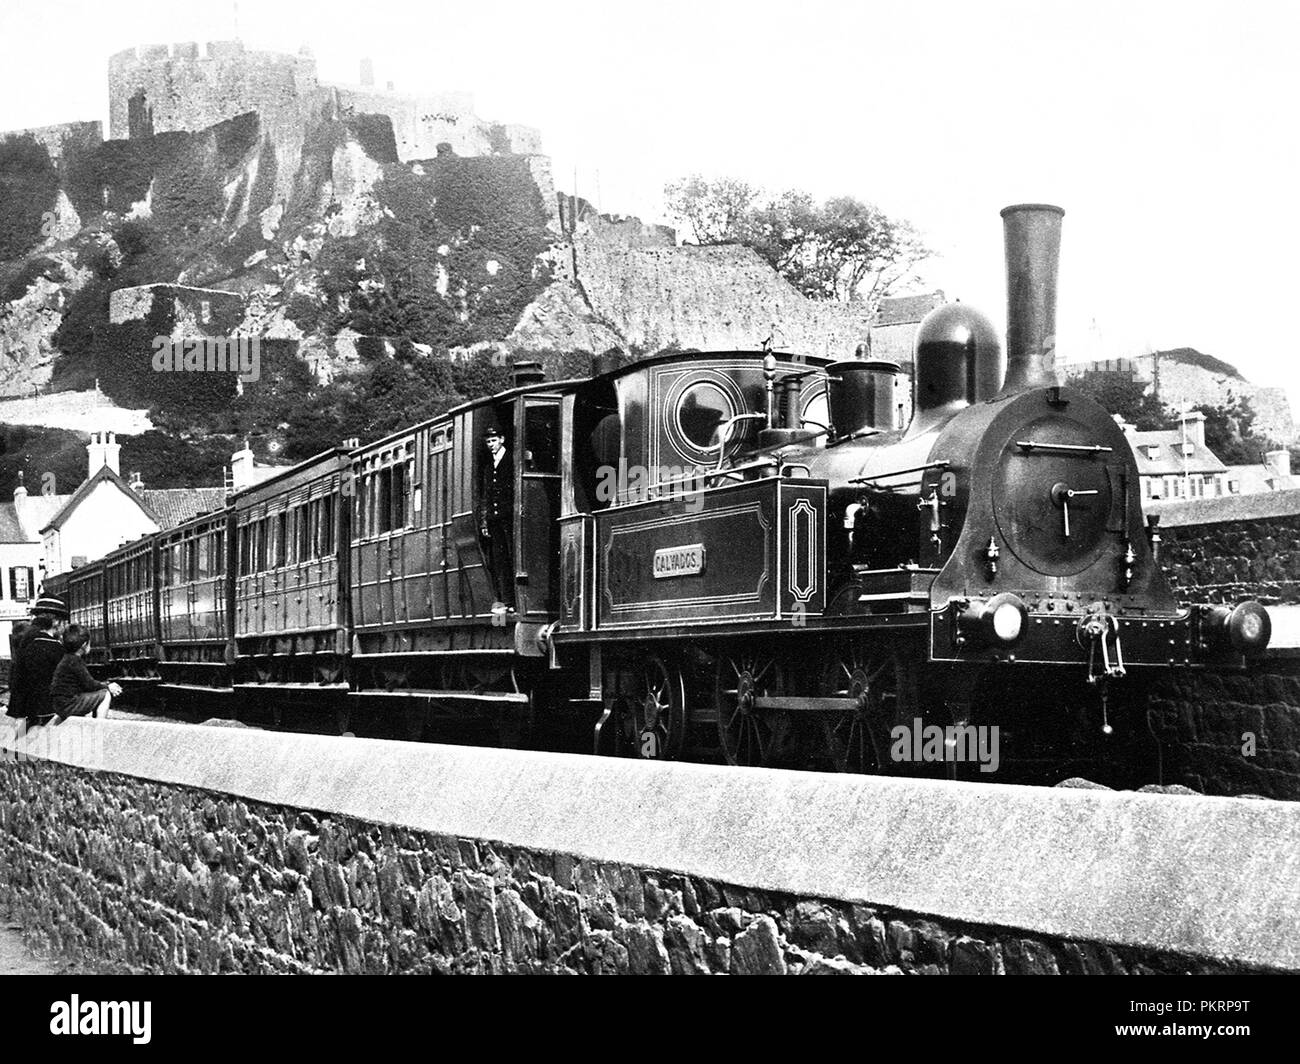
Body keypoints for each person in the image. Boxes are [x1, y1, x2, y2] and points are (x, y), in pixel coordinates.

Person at [6, 597, 69, 726]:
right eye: (64, 622)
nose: (65, 626)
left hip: (21, 712)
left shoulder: (27, 639)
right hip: (46, 712)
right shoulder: (52, 645)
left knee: (20, 743)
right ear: (56, 621)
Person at [50, 624, 122, 722]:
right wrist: (108, 686)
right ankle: (99, 726)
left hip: (59, 703)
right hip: (68, 704)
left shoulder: (67, 658)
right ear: (84, 645)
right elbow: (90, 684)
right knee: (105, 695)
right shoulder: (76, 661)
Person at [477, 424, 515, 607]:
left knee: (511, 557)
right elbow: (486, 495)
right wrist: (485, 522)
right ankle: (506, 600)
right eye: (488, 442)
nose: (491, 444)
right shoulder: (488, 466)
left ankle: (514, 599)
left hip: (509, 518)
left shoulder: (512, 460)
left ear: (502, 440)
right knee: (500, 560)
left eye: (493, 441)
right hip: (495, 519)